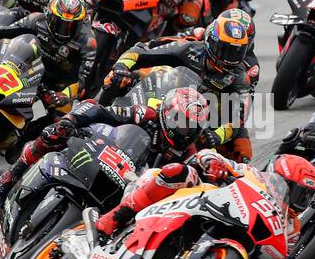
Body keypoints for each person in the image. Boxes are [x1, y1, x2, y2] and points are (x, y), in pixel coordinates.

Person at [93, 150, 315, 259]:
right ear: (278, 178)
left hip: (231, 241)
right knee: (179, 172)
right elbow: (206, 154)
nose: (300, 200)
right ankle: (117, 215)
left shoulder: (291, 226)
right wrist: (214, 164)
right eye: (296, 191)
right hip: (194, 201)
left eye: (306, 196)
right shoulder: (250, 173)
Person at [0, 87, 212, 200]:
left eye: (192, 128)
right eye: (182, 123)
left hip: (132, 190)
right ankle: (14, 174)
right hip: (103, 153)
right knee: (54, 133)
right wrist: (71, 120)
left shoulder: (187, 153)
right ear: (168, 113)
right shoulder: (145, 115)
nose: (186, 132)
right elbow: (100, 110)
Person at [102, 9, 256, 161]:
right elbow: (139, 51)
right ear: (212, 41)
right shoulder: (189, 49)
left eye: (237, 52)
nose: (230, 58)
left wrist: (217, 136)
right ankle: (101, 115)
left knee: (244, 153)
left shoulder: (240, 77)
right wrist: (122, 66)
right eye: (226, 50)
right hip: (167, 93)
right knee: (119, 78)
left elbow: (239, 117)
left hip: (207, 117)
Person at [0, 0, 96, 107]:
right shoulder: (36, 19)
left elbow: (81, 81)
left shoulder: (88, 42)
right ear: (49, 15)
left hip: (56, 83)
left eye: (72, 25)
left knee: (59, 121)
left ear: (81, 22)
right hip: (25, 67)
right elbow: (4, 31)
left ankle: (27, 137)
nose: (64, 30)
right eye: (59, 23)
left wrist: (64, 95)